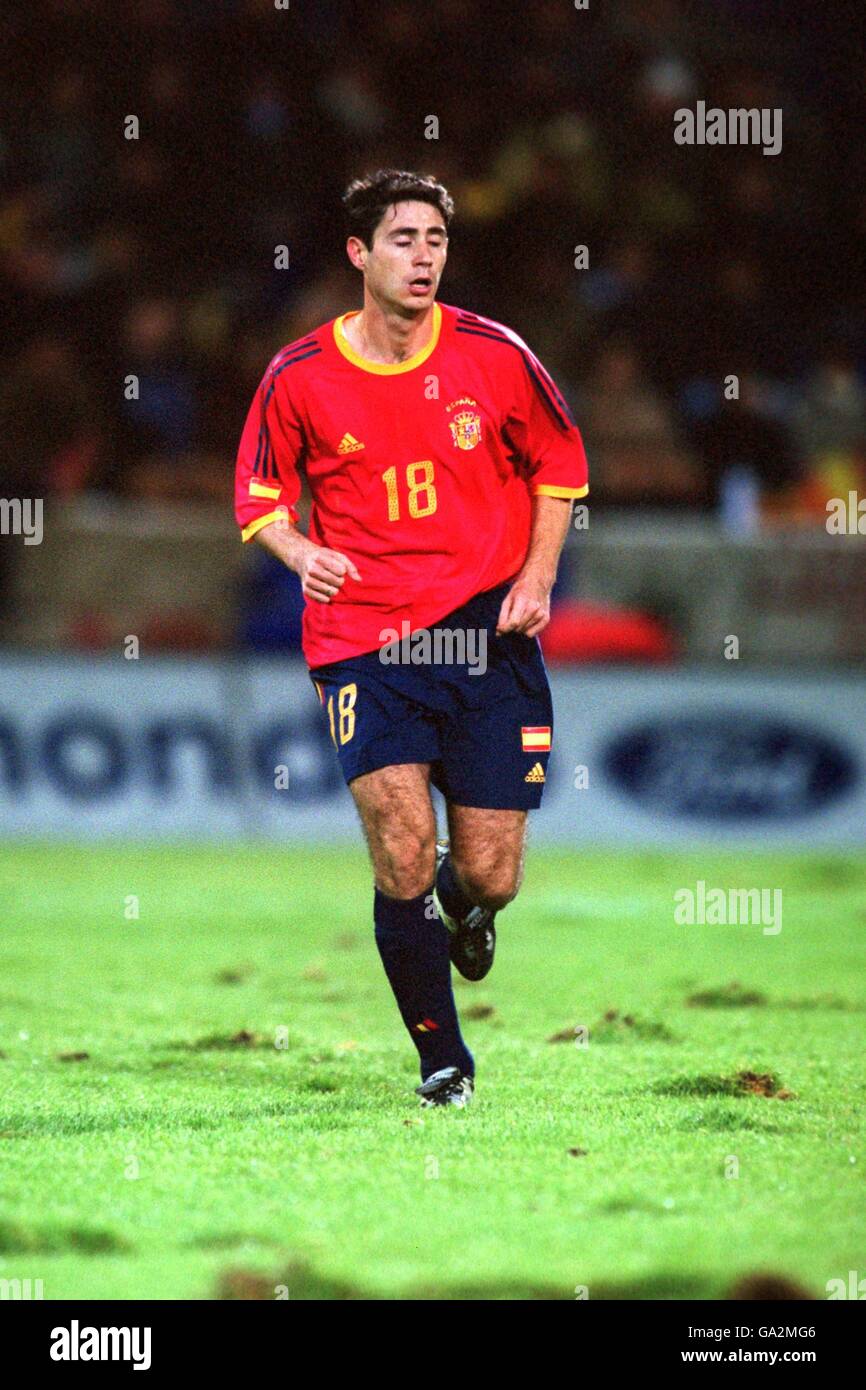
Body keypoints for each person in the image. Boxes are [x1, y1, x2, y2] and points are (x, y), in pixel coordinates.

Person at [234, 169, 588, 1107]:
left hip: (485, 630)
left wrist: (540, 574)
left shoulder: (496, 355)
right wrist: (298, 549)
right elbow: (259, 499)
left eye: (435, 239)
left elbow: (560, 465)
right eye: (403, 239)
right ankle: (443, 1063)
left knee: (491, 873)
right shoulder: (297, 375)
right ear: (359, 253)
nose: (423, 256)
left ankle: (466, 907)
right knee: (400, 849)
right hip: (363, 638)